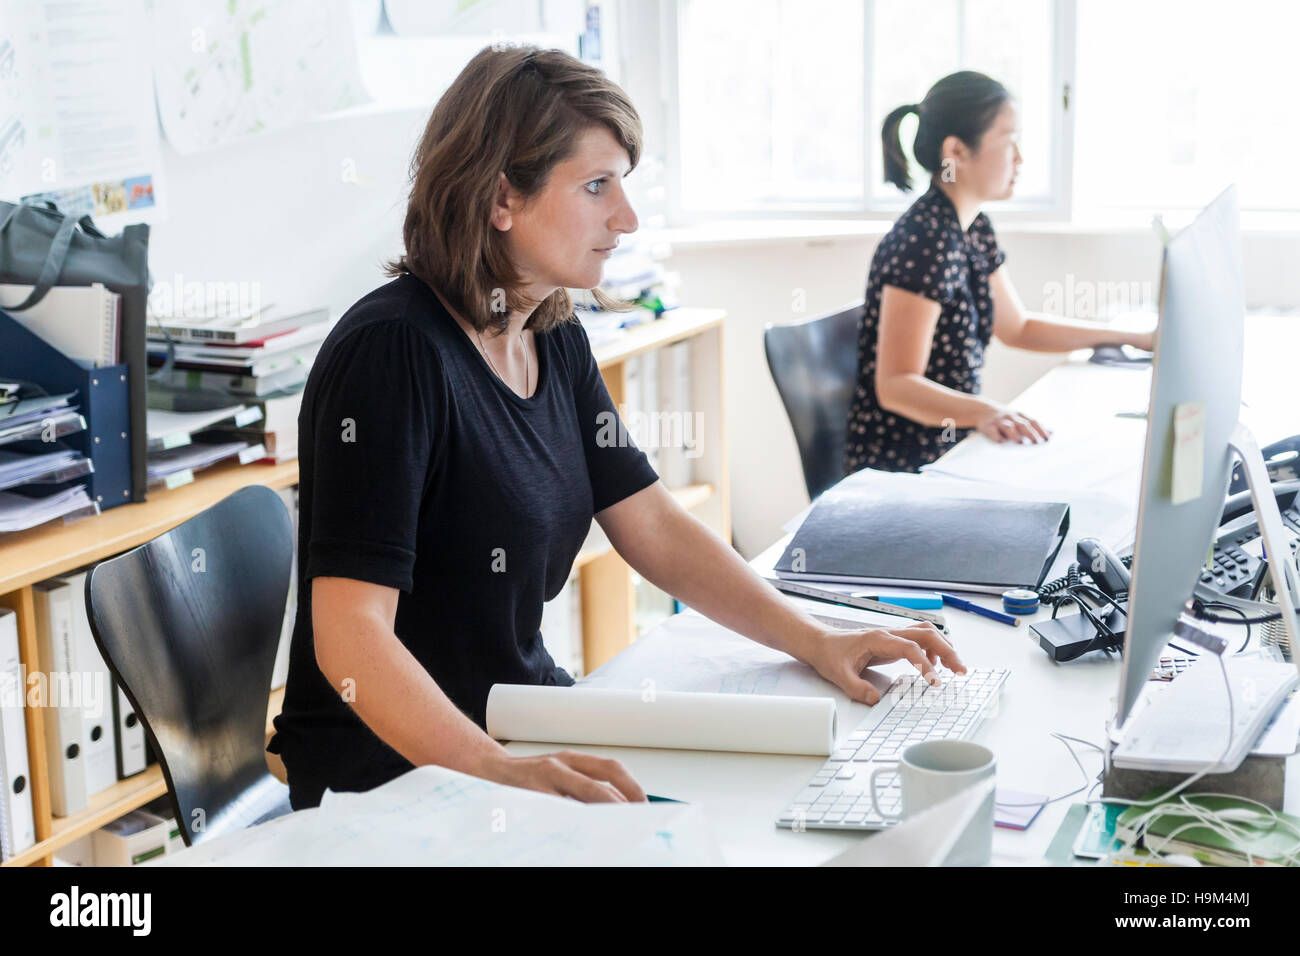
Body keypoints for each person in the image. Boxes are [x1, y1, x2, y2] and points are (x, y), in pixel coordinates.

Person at [267, 46, 964, 810]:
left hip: (517, 732)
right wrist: (495, 769)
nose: (626, 219)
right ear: (503, 199)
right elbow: (351, 637)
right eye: (596, 186)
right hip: (395, 781)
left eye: (623, 185)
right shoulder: (392, 355)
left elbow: (652, 522)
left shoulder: (549, 330)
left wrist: (817, 641)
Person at [845, 71, 1155, 475]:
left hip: (955, 449)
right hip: (907, 467)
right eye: (1009, 141)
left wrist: (1133, 337)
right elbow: (896, 385)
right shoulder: (922, 241)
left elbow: (1017, 327)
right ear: (956, 151)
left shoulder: (972, 226)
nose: (1020, 158)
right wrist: (988, 412)